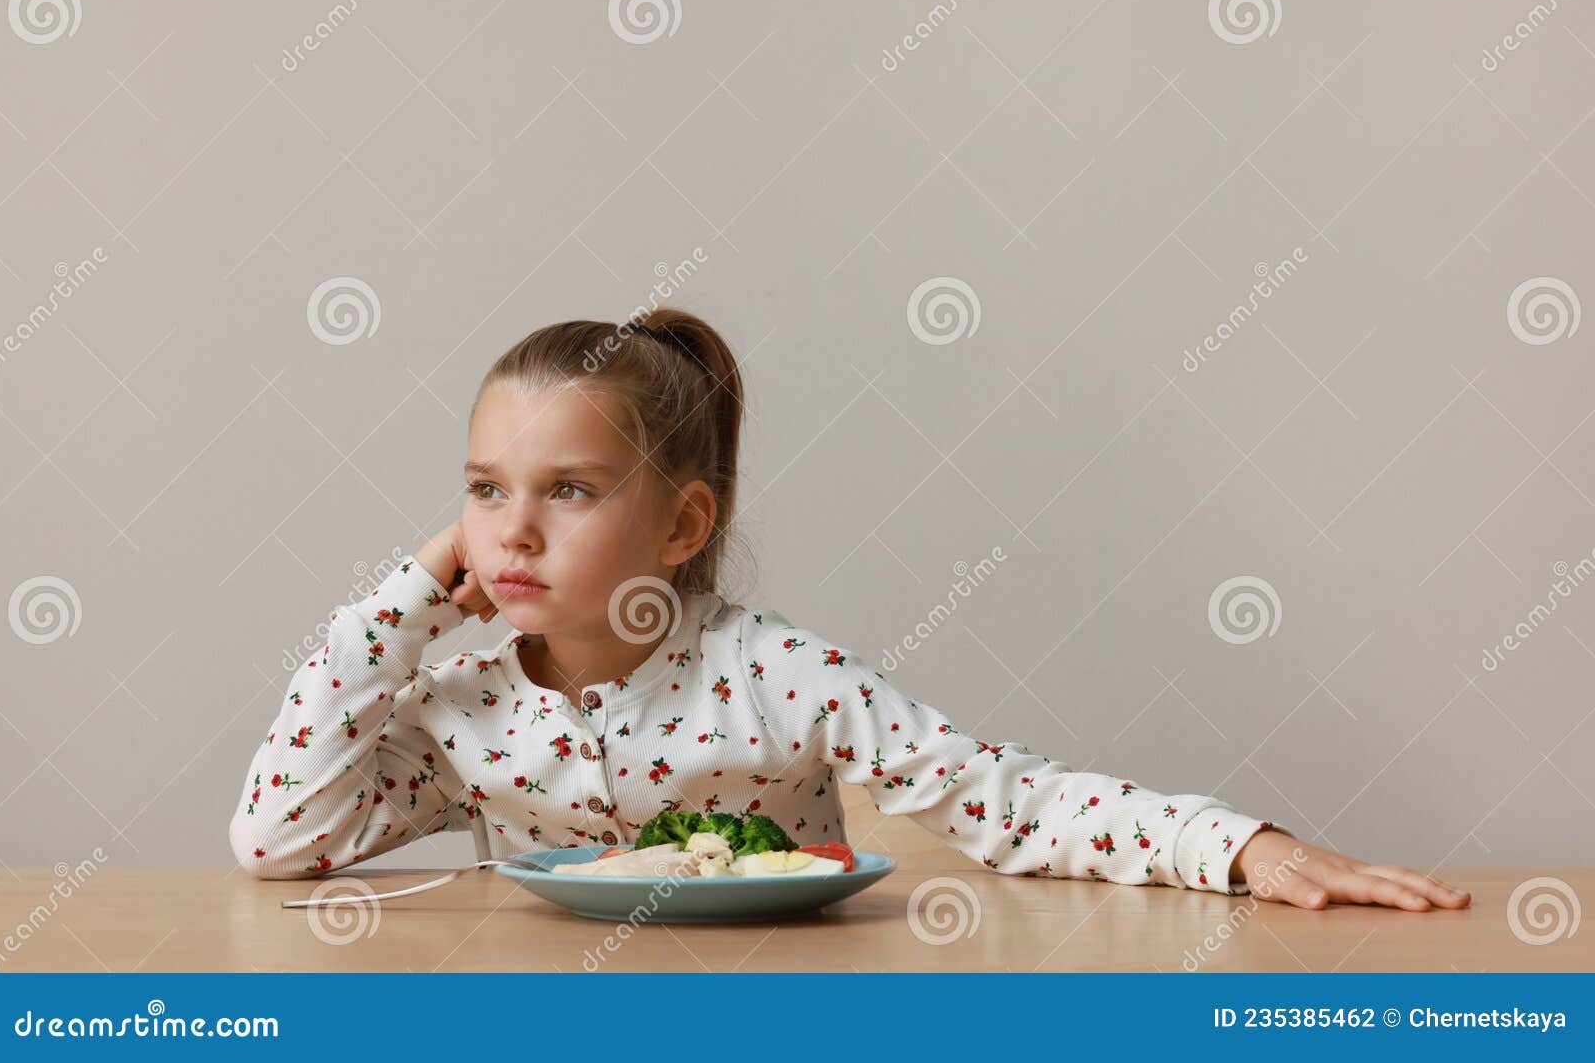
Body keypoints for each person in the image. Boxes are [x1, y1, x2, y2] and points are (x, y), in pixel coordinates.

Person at [227, 308, 1471, 911]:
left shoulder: (779, 680)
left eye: (569, 488)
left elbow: (1013, 800)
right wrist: (398, 605)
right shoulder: (465, 712)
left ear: (680, 525)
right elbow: (281, 841)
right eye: (484, 490)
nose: (513, 527)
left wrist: (1234, 844)